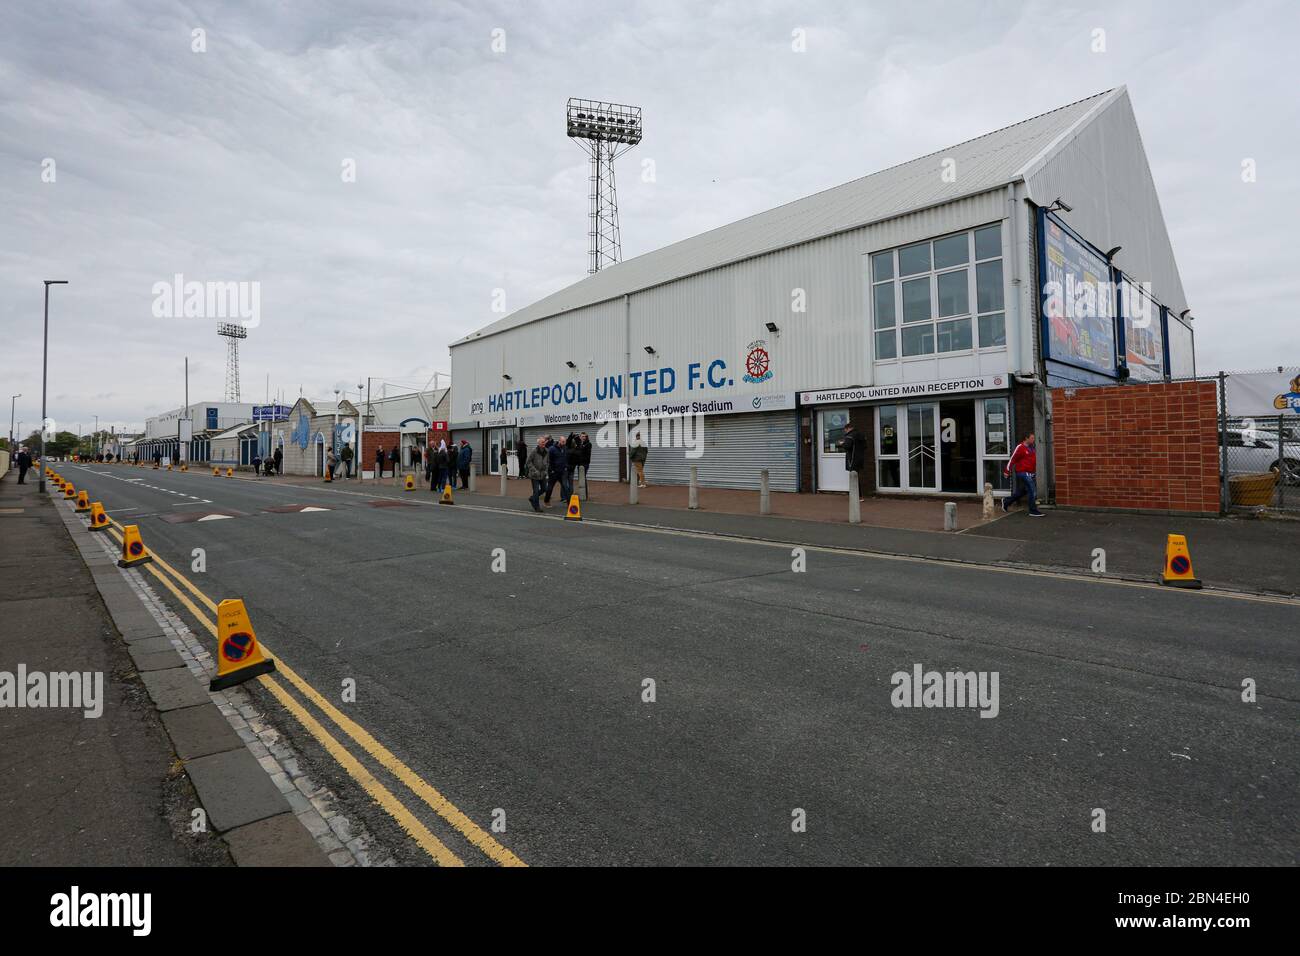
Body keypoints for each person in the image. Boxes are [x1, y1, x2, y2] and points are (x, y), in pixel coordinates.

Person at [1002, 433, 1044, 517]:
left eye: (1034, 438)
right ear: (1026, 438)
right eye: (1032, 438)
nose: (1033, 440)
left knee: (1024, 491)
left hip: (1030, 473)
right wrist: (1007, 471)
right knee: (1032, 490)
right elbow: (1012, 459)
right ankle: (1033, 510)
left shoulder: (1032, 447)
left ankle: (1006, 501)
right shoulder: (1020, 447)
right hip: (1022, 472)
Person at [837, 421, 867, 500]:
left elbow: (847, 446)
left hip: (852, 459)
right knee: (856, 476)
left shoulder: (850, 436)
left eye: (845, 430)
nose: (845, 431)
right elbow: (865, 446)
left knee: (854, 477)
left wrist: (841, 443)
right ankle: (859, 495)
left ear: (848, 428)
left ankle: (858, 496)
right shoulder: (861, 435)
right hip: (860, 458)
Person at [526, 437, 550, 512]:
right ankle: (537, 507)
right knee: (536, 491)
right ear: (538, 443)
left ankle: (532, 498)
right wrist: (534, 471)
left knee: (544, 489)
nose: (543, 443)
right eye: (542, 442)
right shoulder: (534, 451)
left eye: (544, 442)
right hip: (535, 475)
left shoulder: (547, 451)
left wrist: (546, 470)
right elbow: (528, 462)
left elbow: (548, 462)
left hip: (543, 474)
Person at [546, 436, 571, 505]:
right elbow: (548, 460)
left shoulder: (565, 448)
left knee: (565, 487)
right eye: (563, 442)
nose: (564, 443)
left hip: (562, 472)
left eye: (565, 442)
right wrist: (551, 470)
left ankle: (569, 503)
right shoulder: (552, 449)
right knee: (550, 488)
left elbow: (566, 458)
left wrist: (566, 466)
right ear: (559, 441)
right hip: (553, 472)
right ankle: (546, 500)